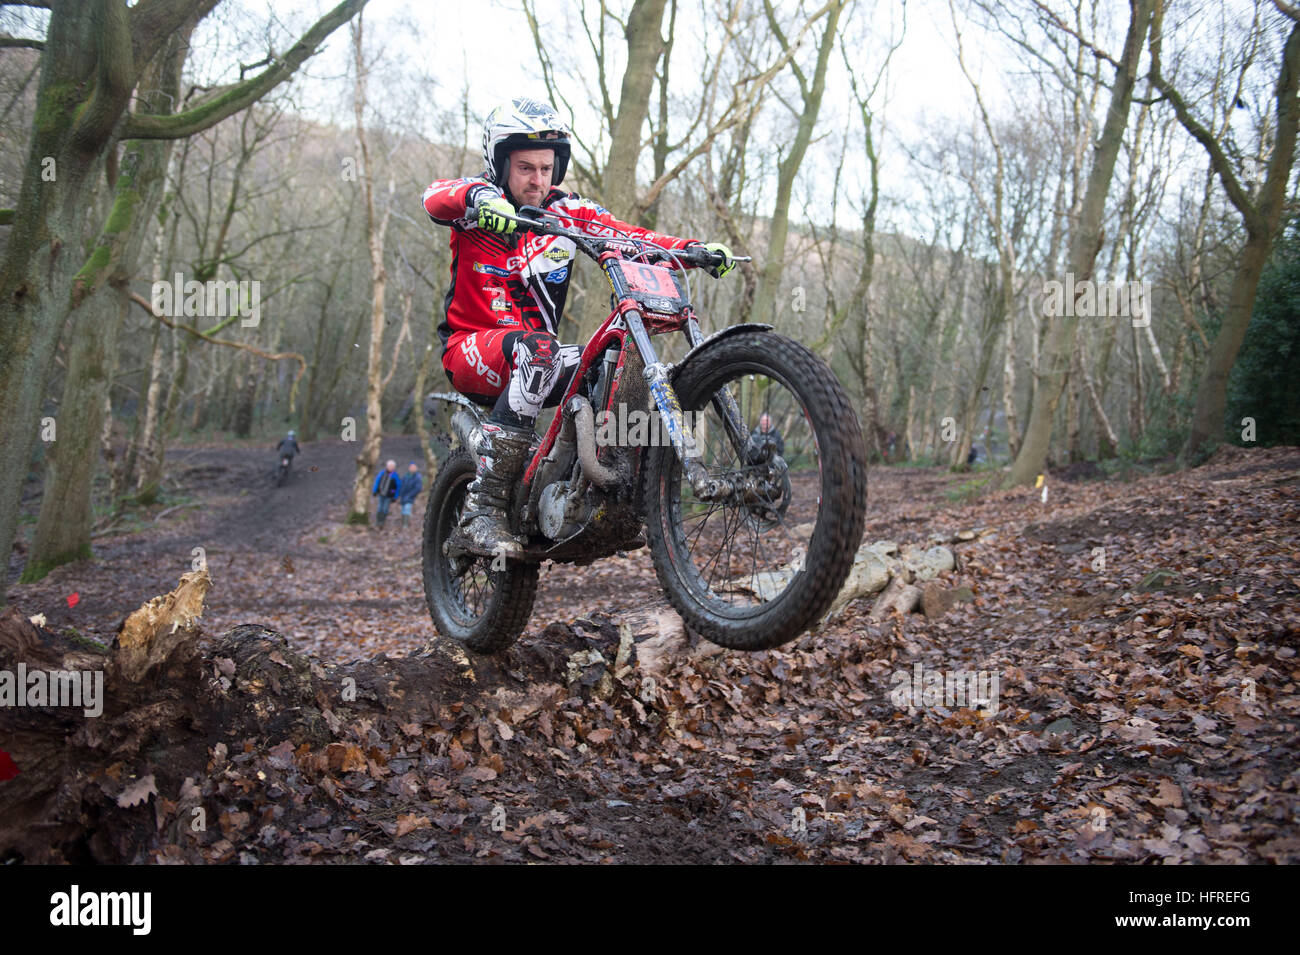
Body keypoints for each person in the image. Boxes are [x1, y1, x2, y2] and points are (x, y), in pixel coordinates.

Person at [421, 97, 737, 557]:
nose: (537, 180)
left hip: (537, 357)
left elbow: (631, 237)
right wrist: (478, 199)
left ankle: (592, 497)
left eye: (547, 168)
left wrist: (693, 250)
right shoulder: (476, 201)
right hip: (470, 349)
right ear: (500, 164)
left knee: (608, 363)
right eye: (526, 167)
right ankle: (481, 511)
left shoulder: (566, 211)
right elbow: (434, 196)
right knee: (542, 351)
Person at [371, 459, 401, 528]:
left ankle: (382, 522)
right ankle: (377, 522)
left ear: (394, 468)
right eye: (389, 466)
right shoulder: (382, 473)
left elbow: (398, 487)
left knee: (385, 508)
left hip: (389, 495)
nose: (390, 467)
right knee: (379, 508)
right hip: (381, 493)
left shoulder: (395, 476)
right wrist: (374, 491)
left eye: (392, 466)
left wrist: (395, 496)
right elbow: (377, 482)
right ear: (387, 466)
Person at [398, 461, 423, 527]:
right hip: (403, 496)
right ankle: (403, 524)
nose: (412, 468)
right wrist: (400, 494)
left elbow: (418, 488)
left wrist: (410, 495)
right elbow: (401, 485)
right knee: (403, 510)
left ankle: (405, 525)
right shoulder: (405, 476)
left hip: (410, 497)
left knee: (407, 509)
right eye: (411, 467)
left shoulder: (417, 477)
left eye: (414, 467)